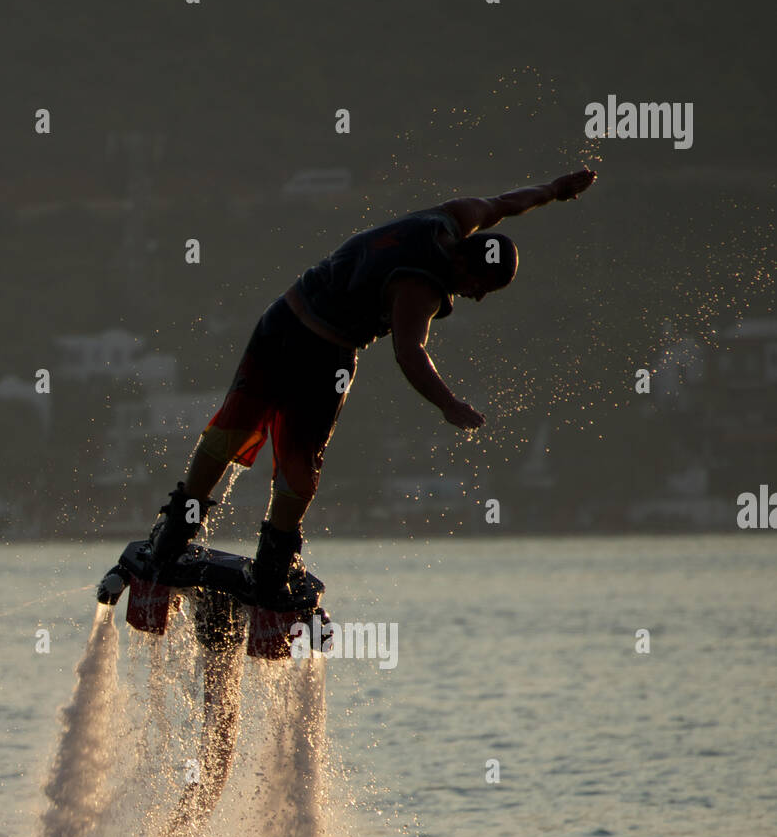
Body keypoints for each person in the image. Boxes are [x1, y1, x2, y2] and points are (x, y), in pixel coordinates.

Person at [150, 167, 597, 601]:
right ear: (463, 258)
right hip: (313, 349)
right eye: (478, 285)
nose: (476, 296)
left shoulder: (456, 216)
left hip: (284, 319)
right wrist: (449, 404)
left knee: (247, 439)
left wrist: (554, 190)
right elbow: (409, 353)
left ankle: (227, 549)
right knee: (275, 454)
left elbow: (506, 203)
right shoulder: (418, 289)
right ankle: (229, 557)